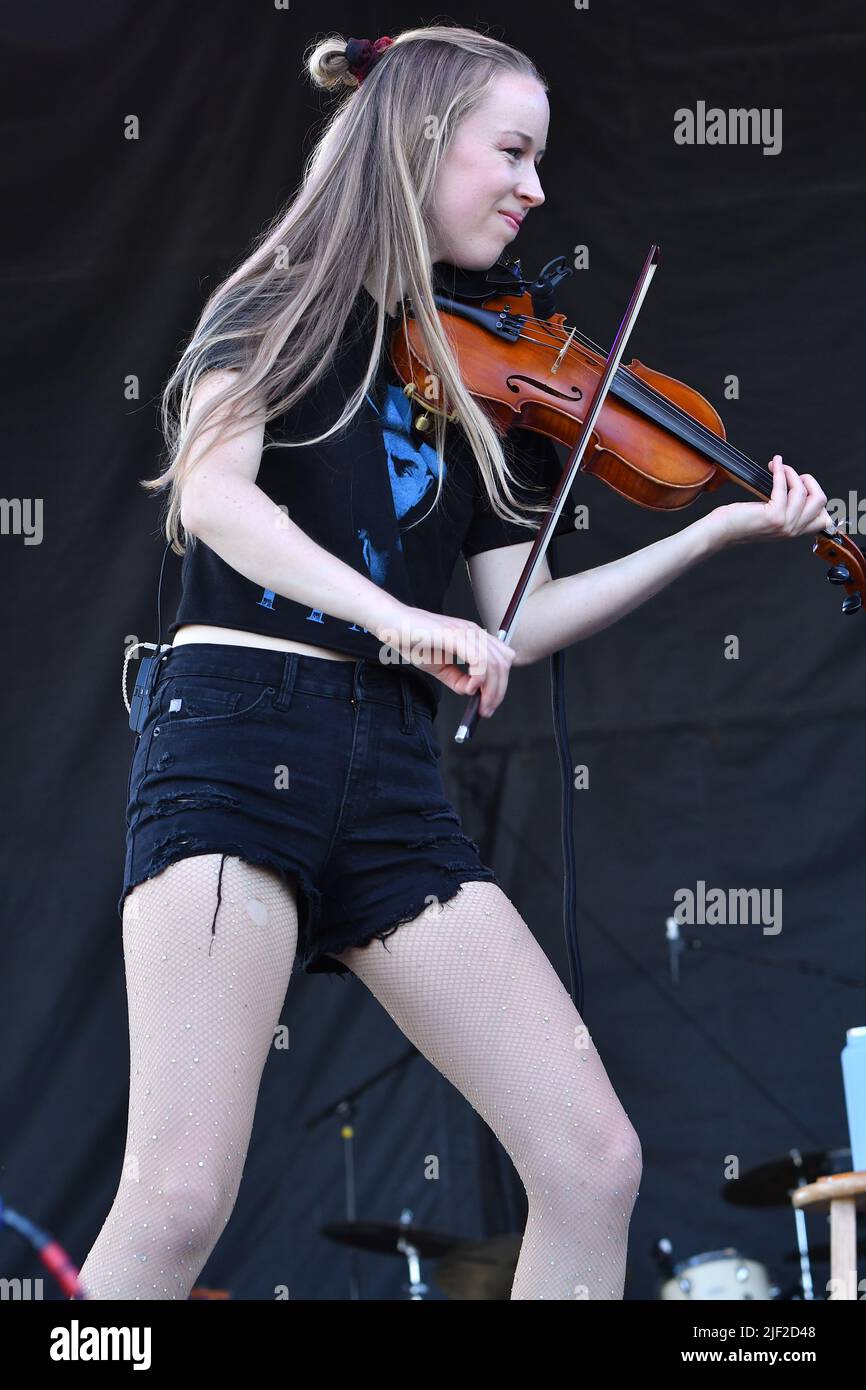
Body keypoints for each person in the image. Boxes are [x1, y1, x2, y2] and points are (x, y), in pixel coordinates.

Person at [79, 24, 832, 1301]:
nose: (536, 189)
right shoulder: (280, 299)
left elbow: (513, 617)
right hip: (235, 728)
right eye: (513, 152)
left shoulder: (478, 376)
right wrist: (393, 615)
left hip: (385, 769)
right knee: (177, 1194)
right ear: (422, 142)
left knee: (592, 1159)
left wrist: (711, 527)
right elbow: (214, 498)